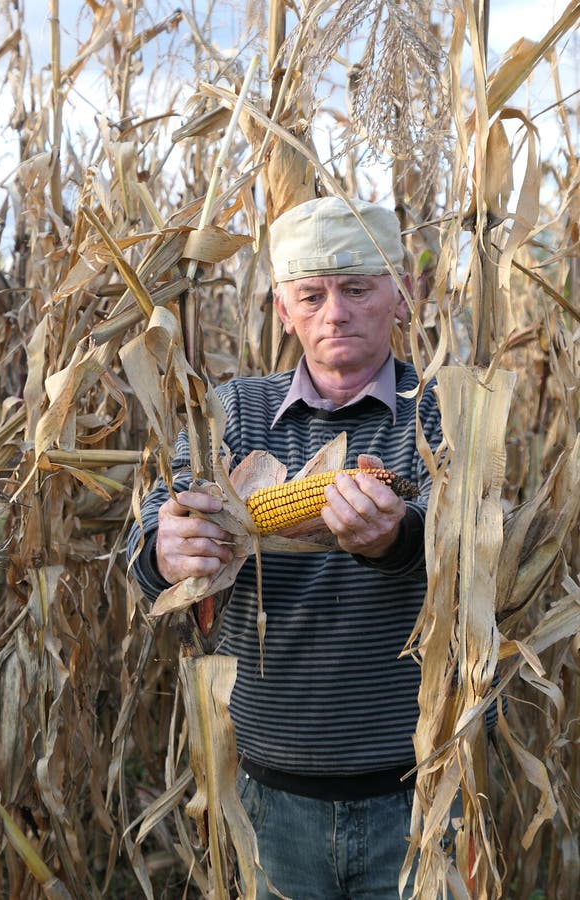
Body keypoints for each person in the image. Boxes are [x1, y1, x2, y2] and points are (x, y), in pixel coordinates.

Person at [127, 196, 443, 899]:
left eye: (357, 288)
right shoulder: (235, 410)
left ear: (401, 291)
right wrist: (168, 551)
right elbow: (147, 538)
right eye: (312, 294)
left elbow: (479, 550)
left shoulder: (444, 408)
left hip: (419, 797)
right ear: (283, 307)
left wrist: (397, 537)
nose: (335, 312)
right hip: (271, 803)